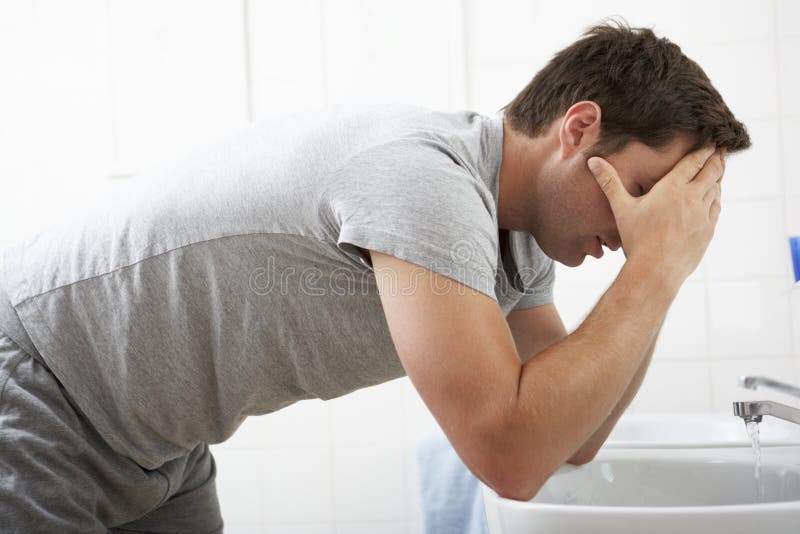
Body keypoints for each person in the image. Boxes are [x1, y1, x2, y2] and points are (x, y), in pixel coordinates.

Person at [0, 21, 750, 531]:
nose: (636, 234)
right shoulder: (424, 180)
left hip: (157, 446)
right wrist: (654, 272)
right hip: (43, 387)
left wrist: (665, 274)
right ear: (579, 127)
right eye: (644, 193)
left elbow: (571, 440)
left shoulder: (510, 244)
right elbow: (510, 458)